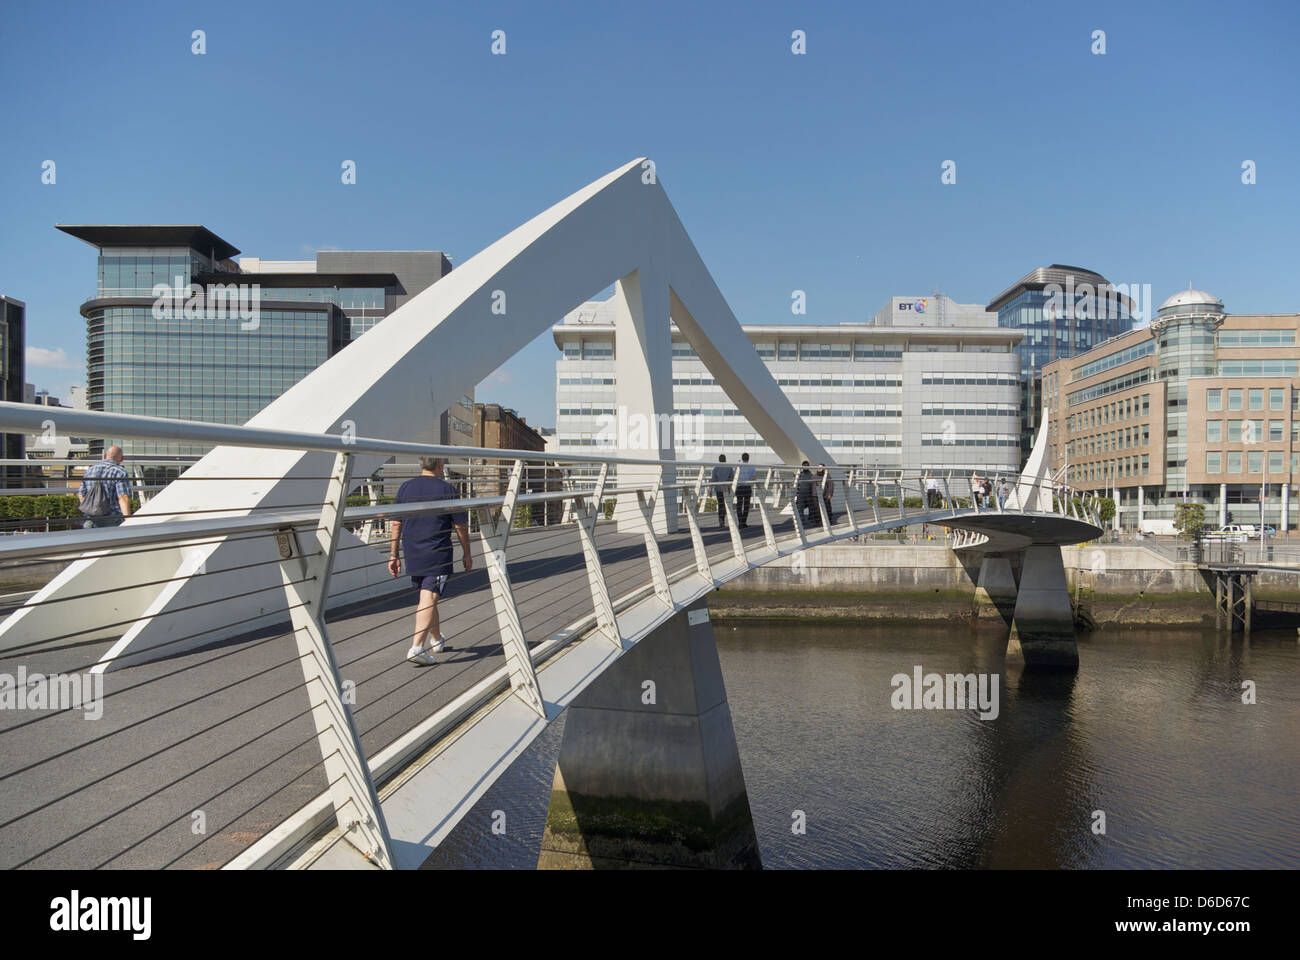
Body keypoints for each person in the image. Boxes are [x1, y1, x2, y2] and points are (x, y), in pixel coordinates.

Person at [388, 457, 473, 666]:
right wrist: (467, 553)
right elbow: (460, 526)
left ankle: (436, 639)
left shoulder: (405, 488)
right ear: (440, 466)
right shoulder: (447, 489)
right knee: (429, 597)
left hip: (412, 552)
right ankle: (417, 647)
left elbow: (396, 524)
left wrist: (393, 554)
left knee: (427, 596)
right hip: (437, 553)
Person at [77, 445, 133, 528]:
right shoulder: (120, 472)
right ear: (121, 459)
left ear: (105, 456)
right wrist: (128, 521)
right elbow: (123, 497)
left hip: (90, 519)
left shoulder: (90, 470)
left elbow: (81, 494)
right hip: (111, 519)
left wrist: (91, 509)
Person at [710, 454, 734, 529]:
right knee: (726, 504)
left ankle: (721, 519)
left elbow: (713, 479)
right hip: (727, 489)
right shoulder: (729, 468)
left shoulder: (716, 468)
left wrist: (710, 489)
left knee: (720, 504)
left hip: (718, 489)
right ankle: (723, 517)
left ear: (719, 460)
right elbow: (732, 478)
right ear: (725, 460)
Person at [735, 452, 756, 528]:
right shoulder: (752, 467)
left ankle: (740, 521)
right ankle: (744, 522)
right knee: (746, 505)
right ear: (748, 458)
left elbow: (735, 477)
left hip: (739, 487)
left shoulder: (738, 466)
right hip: (747, 487)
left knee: (739, 505)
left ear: (742, 458)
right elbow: (753, 478)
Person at [795, 461, 815, 526]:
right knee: (800, 508)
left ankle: (811, 520)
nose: (805, 467)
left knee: (811, 508)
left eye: (807, 466)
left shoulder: (811, 475)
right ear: (802, 466)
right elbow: (796, 484)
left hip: (809, 494)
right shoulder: (799, 475)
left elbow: (813, 485)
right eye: (804, 466)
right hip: (801, 494)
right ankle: (801, 521)